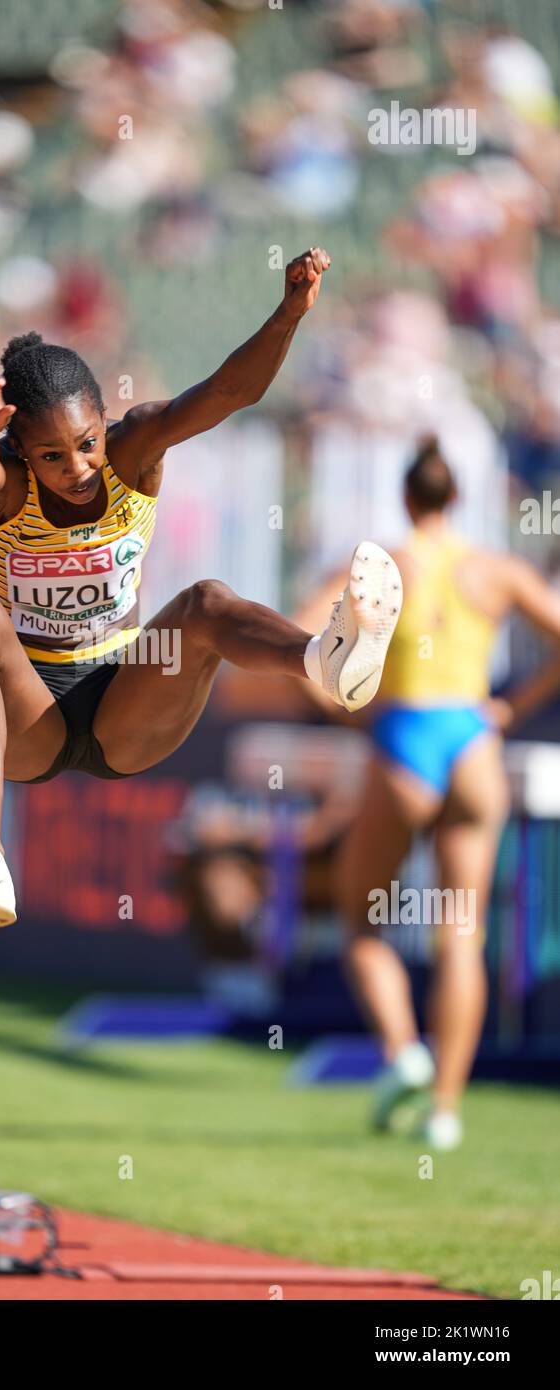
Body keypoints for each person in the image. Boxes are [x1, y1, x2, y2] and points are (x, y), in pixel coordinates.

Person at [0, 247, 402, 927]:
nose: (78, 468)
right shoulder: (3, 490)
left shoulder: (135, 448)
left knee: (205, 601)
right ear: (20, 451)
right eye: (51, 457)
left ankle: (322, 660)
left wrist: (289, 314)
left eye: (87, 443)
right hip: (32, 721)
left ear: (103, 420)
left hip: (130, 705)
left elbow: (228, 393)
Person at [297, 439, 560, 1149]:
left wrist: (346, 704)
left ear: (406, 498)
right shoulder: (492, 569)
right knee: (462, 938)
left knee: (359, 923)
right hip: (473, 738)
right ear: (458, 500)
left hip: (404, 738)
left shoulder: (383, 565)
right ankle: (444, 1112)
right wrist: (511, 706)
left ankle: (403, 1052)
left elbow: (299, 634)